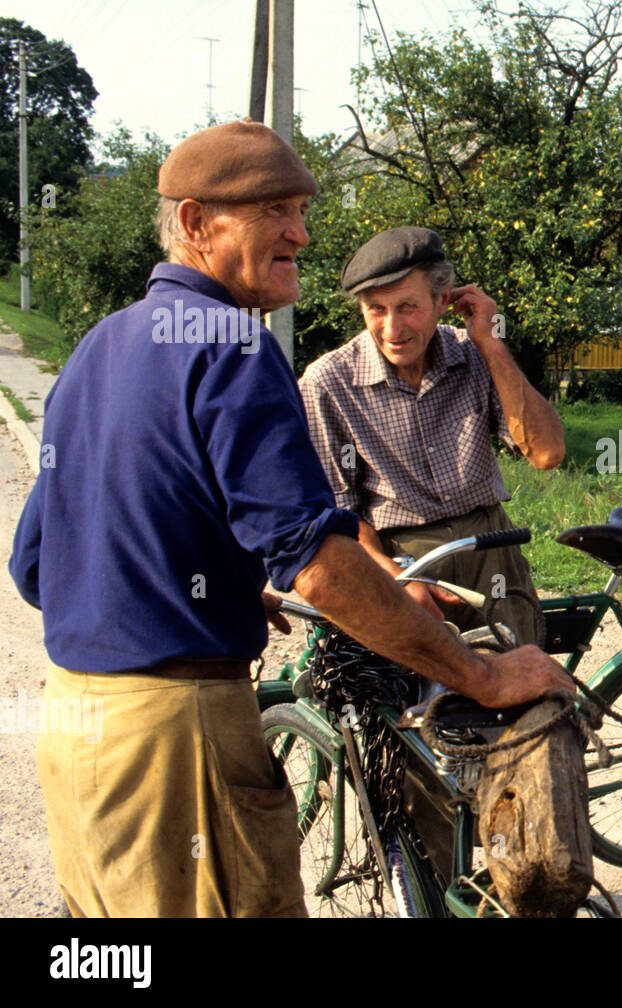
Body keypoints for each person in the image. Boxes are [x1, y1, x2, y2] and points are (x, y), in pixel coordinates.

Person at [8, 121, 571, 919]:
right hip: (179, 745)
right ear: (198, 222)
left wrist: (213, 591)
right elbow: (320, 566)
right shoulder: (233, 346)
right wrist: (479, 674)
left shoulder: (98, 347)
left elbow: (37, 565)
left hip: (77, 741)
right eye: (275, 211)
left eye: (301, 209)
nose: (301, 234)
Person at [298, 226, 565, 647]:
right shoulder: (328, 382)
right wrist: (395, 577)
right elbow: (341, 513)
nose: (392, 328)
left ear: (443, 300)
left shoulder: (473, 354)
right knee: (423, 707)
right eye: (375, 309)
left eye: (407, 306)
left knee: (522, 694)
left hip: (490, 552)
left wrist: (492, 346)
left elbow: (547, 452)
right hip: (400, 562)